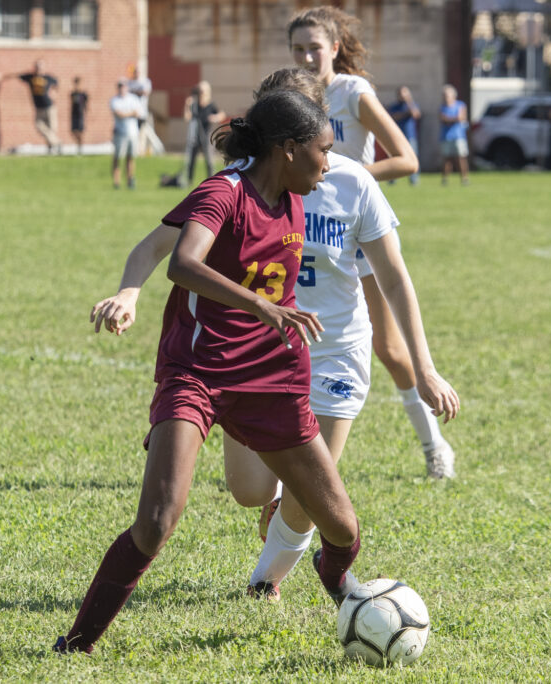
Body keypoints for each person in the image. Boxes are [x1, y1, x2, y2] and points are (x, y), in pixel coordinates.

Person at [90, 68, 461, 603]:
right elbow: (159, 248)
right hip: (257, 357)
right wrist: (129, 291)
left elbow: (395, 278)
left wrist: (424, 369)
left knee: (314, 498)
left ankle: (265, 583)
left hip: (335, 352)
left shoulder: (351, 182)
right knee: (249, 490)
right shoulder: (239, 184)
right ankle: (280, 503)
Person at [55, 88, 361, 654]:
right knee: (157, 520)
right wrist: (259, 306)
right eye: (323, 150)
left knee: (343, 529)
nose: (329, 162)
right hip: (197, 372)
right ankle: (75, 644)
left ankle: (341, 586)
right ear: (287, 149)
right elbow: (182, 262)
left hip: (272, 378)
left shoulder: (296, 193)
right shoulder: (224, 191)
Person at [288, 6, 455, 479]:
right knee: (291, 340)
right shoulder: (292, 95)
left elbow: (407, 159)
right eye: (297, 49)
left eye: (314, 48)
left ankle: (435, 445)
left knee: (391, 351)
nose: (306, 57)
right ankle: (283, 458)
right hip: (306, 232)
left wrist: (346, 176)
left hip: (356, 234)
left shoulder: (352, 93)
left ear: (334, 48)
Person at [0, 60, 62, 154]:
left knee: (52, 129)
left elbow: (57, 83)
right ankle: (57, 142)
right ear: (34, 67)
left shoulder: (48, 78)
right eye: (37, 66)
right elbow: (16, 75)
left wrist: (55, 93)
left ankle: (51, 149)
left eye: (41, 66)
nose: (39, 69)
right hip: (38, 108)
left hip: (49, 107)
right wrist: (2, 77)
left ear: (44, 67)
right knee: (39, 126)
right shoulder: (31, 77)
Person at [181, 81, 225, 186]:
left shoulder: (211, 105)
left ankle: (211, 181)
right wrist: (187, 105)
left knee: (209, 160)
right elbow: (187, 118)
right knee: (191, 160)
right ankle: (189, 181)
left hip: (207, 135)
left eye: (203, 92)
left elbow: (221, 115)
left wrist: (215, 118)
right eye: (199, 91)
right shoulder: (194, 105)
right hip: (195, 136)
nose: (201, 94)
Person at [109, 80, 144, 189]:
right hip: (120, 133)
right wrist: (130, 113)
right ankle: (116, 182)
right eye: (120, 86)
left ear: (127, 87)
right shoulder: (114, 100)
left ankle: (130, 179)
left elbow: (138, 113)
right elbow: (119, 114)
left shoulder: (133, 99)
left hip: (133, 133)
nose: (122, 88)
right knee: (118, 157)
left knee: (131, 157)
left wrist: (126, 113)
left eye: (123, 86)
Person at [387, 86, 421, 185]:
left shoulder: (412, 105)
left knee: (413, 157)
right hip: (397, 137)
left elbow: (416, 114)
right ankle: (392, 179)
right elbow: (392, 117)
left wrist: (409, 102)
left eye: (405, 93)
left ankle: (414, 179)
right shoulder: (394, 107)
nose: (403, 96)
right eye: (401, 94)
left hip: (410, 136)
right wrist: (404, 114)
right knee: (394, 158)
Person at [439, 84, 470, 183]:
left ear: (453, 95)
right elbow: (442, 119)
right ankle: (445, 179)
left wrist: (449, 119)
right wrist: (455, 119)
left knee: (461, 158)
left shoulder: (460, 105)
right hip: (446, 137)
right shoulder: (442, 107)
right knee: (447, 159)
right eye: (444, 95)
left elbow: (461, 118)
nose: (445, 97)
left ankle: (464, 178)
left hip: (459, 136)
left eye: (447, 95)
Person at [70, 76, 88, 155]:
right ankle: (78, 145)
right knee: (73, 131)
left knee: (80, 132)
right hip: (74, 114)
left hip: (80, 115)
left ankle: (80, 148)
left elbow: (86, 104)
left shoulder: (83, 94)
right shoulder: (72, 94)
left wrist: (86, 113)